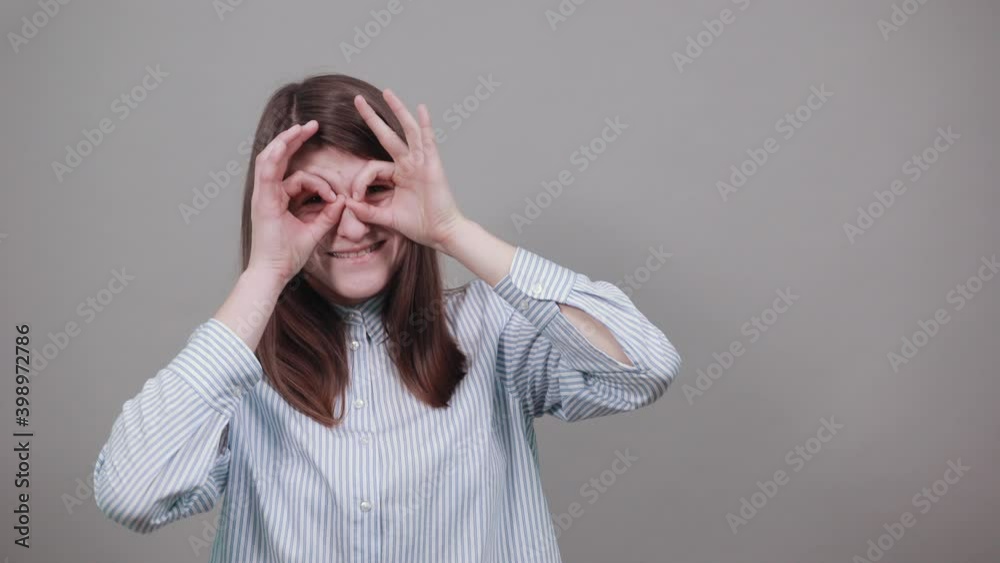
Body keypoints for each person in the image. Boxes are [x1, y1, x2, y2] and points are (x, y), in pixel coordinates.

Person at [93, 73, 682, 562]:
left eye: (374, 191)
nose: (350, 226)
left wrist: (453, 231)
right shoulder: (237, 368)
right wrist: (265, 272)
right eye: (313, 201)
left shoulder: (491, 329)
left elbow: (643, 368)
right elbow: (132, 494)